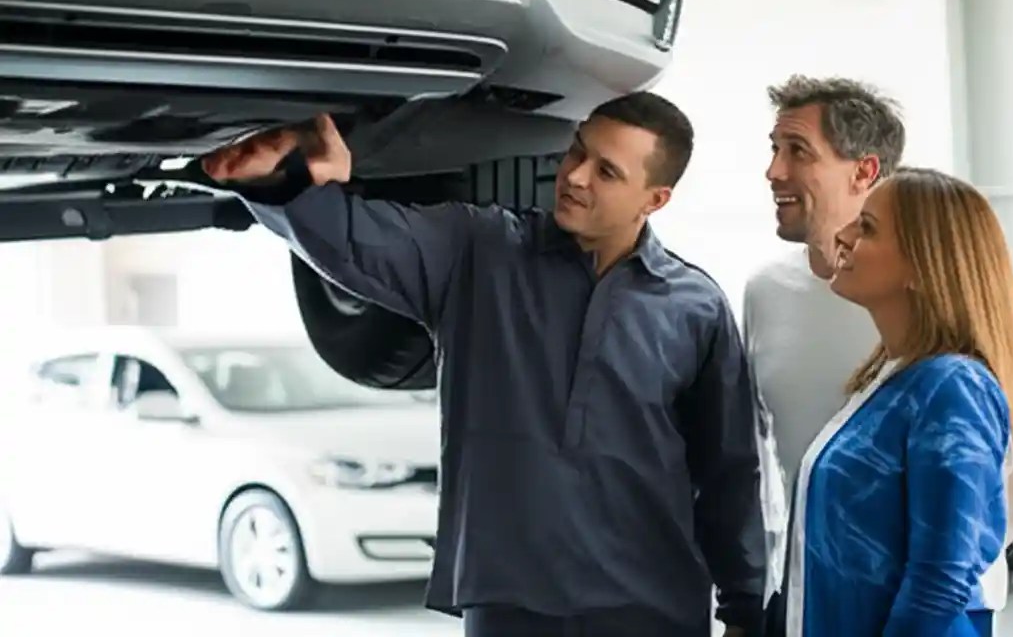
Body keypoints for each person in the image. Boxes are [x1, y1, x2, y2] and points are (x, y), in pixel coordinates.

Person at [200, 93, 766, 637]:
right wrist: (286, 180)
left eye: (607, 172)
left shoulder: (696, 307)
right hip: (511, 603)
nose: (573, 176)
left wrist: (744, 604)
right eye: (577, 151)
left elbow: (729, 470)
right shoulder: (481, 251)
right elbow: (356, 242)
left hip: (653, 608)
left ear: (655, 199)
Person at [744, 76, 1013, 612]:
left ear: (863, 170)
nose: (774, 171)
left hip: (913, 598)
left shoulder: (944, 349)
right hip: (820, 592)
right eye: (774, 149)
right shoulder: (767, 291)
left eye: (797, 151)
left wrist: (955, 555)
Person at [782, 166, 1013, 636]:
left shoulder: (953, 387)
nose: (844, 234)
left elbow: (940, 579)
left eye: (868, 228)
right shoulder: (891, 378)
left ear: (922, 268)